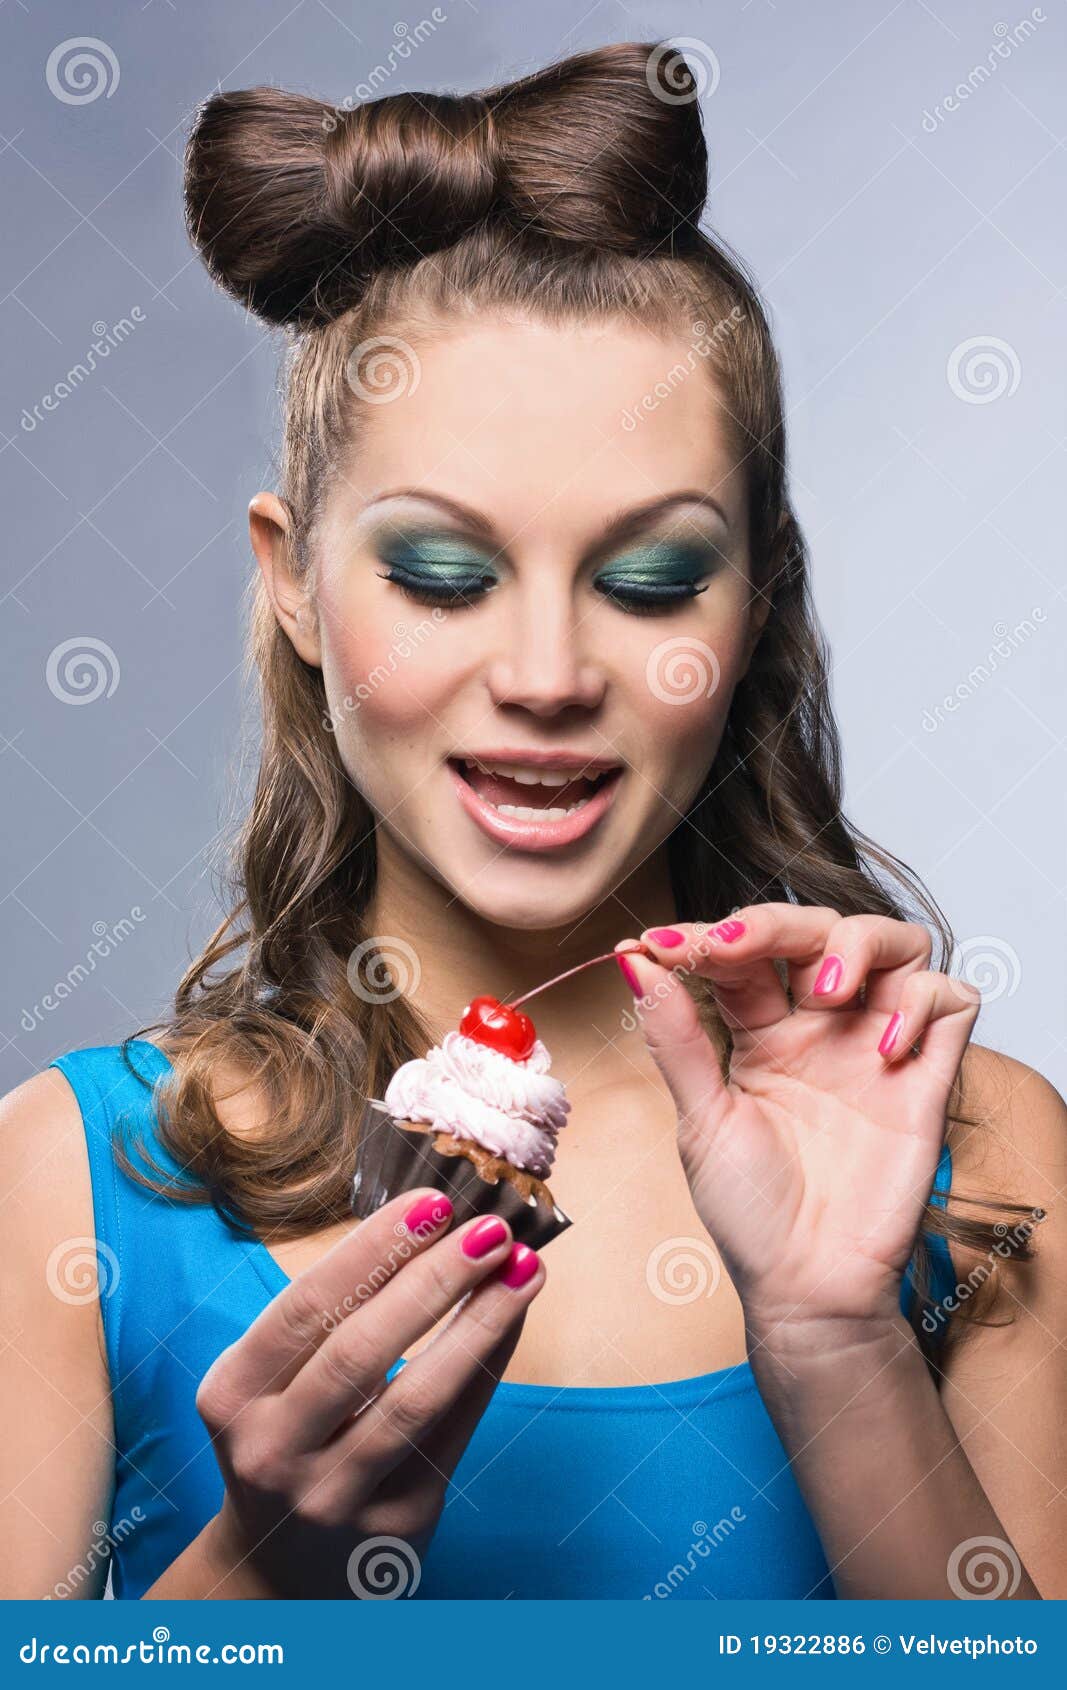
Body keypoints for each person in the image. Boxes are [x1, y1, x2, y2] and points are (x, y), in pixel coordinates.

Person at [2, 41, 1064, 1602]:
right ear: (291, 576)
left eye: (650, 581)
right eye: (442, 575)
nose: (549, 676)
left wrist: (840, 1345)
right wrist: (264, 1566)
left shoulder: (970, 1152)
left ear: (758, 596)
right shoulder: (67, 1178)